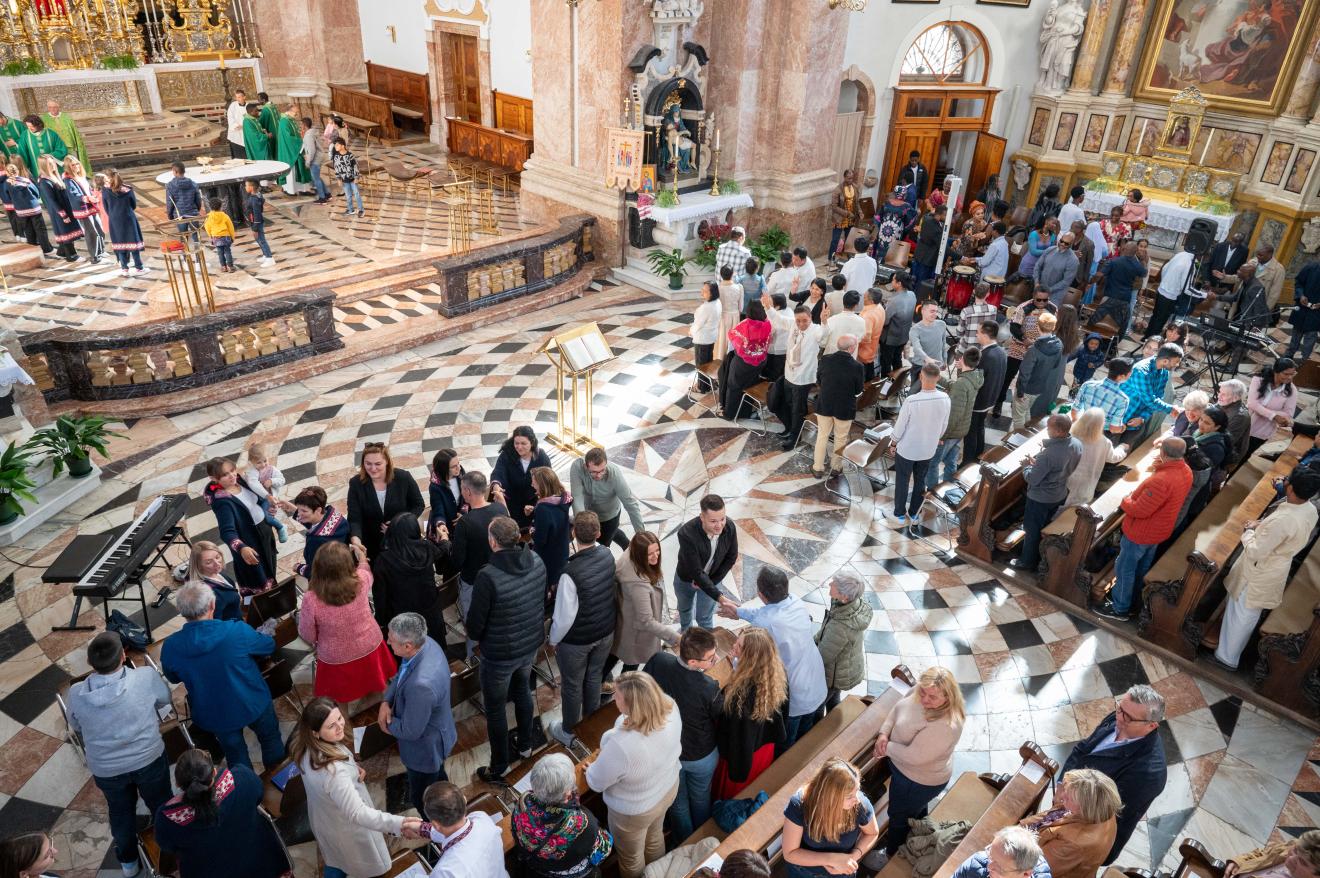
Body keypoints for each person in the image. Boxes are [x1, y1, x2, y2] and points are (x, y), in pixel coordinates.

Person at [66, 632, 173, 878]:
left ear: (91, 663)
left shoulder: (76, 693)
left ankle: (129, 865)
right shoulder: (145, 677)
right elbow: (164, 699)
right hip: (148, 758)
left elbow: (76, 724)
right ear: (124, 656)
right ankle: (170, 850)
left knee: (121, 813)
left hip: (107, 770)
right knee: (161, 803)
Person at [291, 698, 421, 877]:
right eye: (331, 726)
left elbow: (328, 779)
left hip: (326, 820)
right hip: (346, 830)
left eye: (339, 718)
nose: (340, 727)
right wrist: (399, 824)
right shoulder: (335, 772)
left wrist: (352, 769)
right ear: (315, 733)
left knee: (336, 860)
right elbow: (358, 813)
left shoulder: (305, 748)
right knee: (353, 863)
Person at [160, 583, 284, 771]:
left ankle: (247, 786)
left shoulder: (171, 646)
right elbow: (268, 646)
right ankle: (277, 779)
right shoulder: (236, 631)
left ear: (182, 612)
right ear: (212, 605)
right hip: (252, 700)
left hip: (214, 712)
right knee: (270, 739)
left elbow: (173, 677)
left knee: (235, 755)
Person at [1215, 469, 1320, 669]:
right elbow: (1283, 531)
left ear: (1290, 488)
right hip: (1276, 566)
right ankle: (1227, 651)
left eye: (1287, 480)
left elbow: (1256, 551)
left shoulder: (1284, 520)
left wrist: (1248, 532)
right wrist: (1261, 525)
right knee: (1245, 612)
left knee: (1242, 614)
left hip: (1259, 571)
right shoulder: (1310, 509)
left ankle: (1227, 658)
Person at [469, 516, 547, 782]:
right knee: (523, 689)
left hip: (499, 655)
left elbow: (475, 628)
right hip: (529, 645)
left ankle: (499, 765)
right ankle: (525, 745)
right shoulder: (536, 560)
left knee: (495, 709)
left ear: (493, 542)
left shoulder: (487, 576)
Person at [585, 672, 683, 878]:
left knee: (631, 858)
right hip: (667, 788)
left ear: (633, 705)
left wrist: (591, 768)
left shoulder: (622, 744)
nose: (613, 698)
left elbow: (595, 782)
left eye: (617, 696)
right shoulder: (670, 705)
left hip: (636, 811)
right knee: (654, 836)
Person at [867, 667, 966, 866]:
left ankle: (891, 855)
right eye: (923, 692)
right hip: (904, 769)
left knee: (898, 816)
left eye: (933, 697)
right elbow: (898, 709)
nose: (924, 699)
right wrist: (884, 733)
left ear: (948, 697)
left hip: (917, 781)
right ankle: (918, 828)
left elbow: (914, 756)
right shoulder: (921, 690)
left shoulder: (946, 726)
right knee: (913, 811)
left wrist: (886, 747)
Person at [721, 566, 826, 746]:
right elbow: (765, 613)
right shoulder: (796, 602)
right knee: (807, 739)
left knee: (788, 746)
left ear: (761, 595)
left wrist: (734, 661)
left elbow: (753, 662)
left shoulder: (766, 624)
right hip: (817, 683)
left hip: (795, 696)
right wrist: (739, 612)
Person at [1061, 685, 1167, 863]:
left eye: (1128, 717)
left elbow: (1105, 815)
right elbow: (1083, 749)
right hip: (1069, 804)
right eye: (1119, 709)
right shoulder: (1121, 715)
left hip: (1086, 838)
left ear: (1151, 725)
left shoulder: (1149, 773)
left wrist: (1066, 803)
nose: (1119, 717)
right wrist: (1061, 785)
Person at [1094, 438, 1192, 621]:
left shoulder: (1162, 480)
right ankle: (1132, 602)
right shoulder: (1186, 470)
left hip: (1141, 533)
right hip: (1159, 530)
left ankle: (1120, 608)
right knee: (1141, 568)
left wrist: (1126, 499)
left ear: (1163, 453)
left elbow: (1139, 510)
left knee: (1125, 569)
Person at [152, 749, 290, 878]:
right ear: (213, 772)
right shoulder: (242, 779)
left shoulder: (167, 819)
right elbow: (259, 793)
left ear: (178, 784)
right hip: (267, 864)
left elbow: (167, 846)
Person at [644, 627, 722, 840]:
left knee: (678, 803)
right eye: (711, 658)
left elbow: (644, 689)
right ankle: (702, 836)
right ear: (693, 662)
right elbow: (720, 716)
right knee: (701, 797)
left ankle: (685, 839)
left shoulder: (659, 660)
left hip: (668, 751)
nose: (715, 659)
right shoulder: (708, 687)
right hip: (700, 754)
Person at [547, 512, 618, 747]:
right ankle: (590, 722)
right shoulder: (607, 554)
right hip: (605, 632)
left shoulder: (570, 572)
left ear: (574, 533)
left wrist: (553, 639)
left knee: (572, 685)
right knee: (594, 677)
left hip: (577, 641)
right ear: (599, 533)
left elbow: (564, 617)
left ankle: (569, 731)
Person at [379, 612, 457, 816]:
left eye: (391, 639)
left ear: (408, 646)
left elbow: (410, 731)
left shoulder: (421, 685)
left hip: (425, 749)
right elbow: (402, 673)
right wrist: (387, 700)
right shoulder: (426, 642)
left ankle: (436, 827)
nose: (387, 641)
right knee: (438, 780)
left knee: (422, 798)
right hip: (437, 733)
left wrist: (385, 722)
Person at [300, 541, 397, 702]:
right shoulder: (361, 580)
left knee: (339, 698)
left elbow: (308, 634)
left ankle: (344, 719)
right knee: (380, 683)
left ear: (317, 568)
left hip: (335, 657)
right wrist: (360, 553)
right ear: (348, 564)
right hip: (370, 644)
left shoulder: (311, 599)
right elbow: (365, 567)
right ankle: (387, 708)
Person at [714, 627, 789, 799]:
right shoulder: (776, 673)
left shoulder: (740, 697)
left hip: (742, 753)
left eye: (739, 646)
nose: (734, 646)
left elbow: (736, 734)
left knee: (734, 792)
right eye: (737, 641)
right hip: (764, 745)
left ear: (751, 656)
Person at [513, 753, 614, 878]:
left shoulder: (523, 801)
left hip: (536, 867)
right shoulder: (581, 824)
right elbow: (603, 851)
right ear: (567, 794)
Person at [782, 758, 879, 878]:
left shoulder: (860, 806)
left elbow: (872, 833)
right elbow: (790, 853)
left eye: (857, 790)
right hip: (804, 873)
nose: (857, 799)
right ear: (830, 796)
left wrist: (852, 857)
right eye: (849, 796)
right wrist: (831, 859)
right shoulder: (800, 804)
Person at [1012, 414, 1082, 571]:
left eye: (1049, 428)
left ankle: (1027, 561)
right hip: (1059, 493)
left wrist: (1026, 466)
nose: (1047, 430)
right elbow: (1059, 468)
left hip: (1040, 498)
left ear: (1058, 431)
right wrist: (1039, 465)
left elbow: (1032, 479)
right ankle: (1038, 553)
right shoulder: (1077, 444)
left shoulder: (1048, 454)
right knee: (1044, 525)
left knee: (1032, 529)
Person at [1019, 769, 1120, 878]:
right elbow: (1051, 816)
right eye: (1066, 790)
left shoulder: (1074, 844)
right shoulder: (1101, 809)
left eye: (1069, 798)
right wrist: (1019, 827)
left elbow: (1034, 869)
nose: (1062, 796)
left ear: (1085, 808)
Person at [449, 471, 509, 653]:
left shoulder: (465, 523)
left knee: (474, 624)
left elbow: (457, 561)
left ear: (467, 491)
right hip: (500, 576)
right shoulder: (500, 509)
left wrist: (446, 544)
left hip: (473, 581)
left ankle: (473, 658)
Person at [889, 364, 951, 527]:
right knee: (920, 480)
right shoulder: (945, 398)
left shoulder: (912, 400)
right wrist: (935, 438)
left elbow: (900, 426)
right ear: (938, 378)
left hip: (907, 449)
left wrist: (893, 442)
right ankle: (914, 514)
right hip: (928, 449)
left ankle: (899, 514)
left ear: (921, 377)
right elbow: (944, 425)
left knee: (902, 480)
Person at [202, 456, 276, 593]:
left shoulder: (240, 480)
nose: (232, 476)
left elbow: (255, 499)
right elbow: (227, 532)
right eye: (225, 475)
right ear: (214, 479)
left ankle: (274, 596)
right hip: (250, 545)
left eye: (232, 470)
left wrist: (267, 508)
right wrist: (242, 548)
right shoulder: (222, 502)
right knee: (259, 582)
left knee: (271, 570)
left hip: (264, 534)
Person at [347, 441, 425, 560]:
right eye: (368, 464)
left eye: (378, 464)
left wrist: (400, 524)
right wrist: (356, 540)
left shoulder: (403, 477)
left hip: (402, 541)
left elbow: (418, 505)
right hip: (372, 545)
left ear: (387, 462)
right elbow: (354, 518)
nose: (373, 468)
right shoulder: (355, 483)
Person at [371, 511, 447, 634]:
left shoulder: (383, 561)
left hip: (403, 620)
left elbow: (380, 596)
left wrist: (381, 622)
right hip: (430, 615)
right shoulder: (426, 547)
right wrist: (444, 540)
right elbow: (442, 551)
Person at [674, 494, 740, 629]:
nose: (719, 525)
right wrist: (720, 598)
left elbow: (731, 557)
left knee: (704, 618)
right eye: (713, 521)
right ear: (702, 517)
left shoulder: (729, 527)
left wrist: (712, 582)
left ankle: (706, 640)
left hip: (713, 579)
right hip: (686, 579)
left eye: (722, 519)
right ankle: (686, 634)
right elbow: (696, 571)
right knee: (684, 610)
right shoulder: (686, 534)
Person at [419, 782, 509, 878]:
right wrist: (422, 828)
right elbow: (460, 834)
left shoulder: (445, 872)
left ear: (436, 825)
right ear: (464, 800)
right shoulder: (481, 818)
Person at [813, 572, 873, 710]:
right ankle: (834, 717)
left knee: (817, 705)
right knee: (833, 698)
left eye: (834, 584)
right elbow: (826, 628)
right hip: (843, 668)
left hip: (836, 674)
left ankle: (823, 724)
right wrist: (815, 639)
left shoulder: (841, 626)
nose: (830, 584)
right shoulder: (849, 604)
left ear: (844, 597)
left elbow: (822, 657)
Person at [927, 347, 983, 489]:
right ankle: (949, 487)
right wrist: (939, 377)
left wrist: (942, 436)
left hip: (951, 433)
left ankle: (932, 491)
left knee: (932, 464)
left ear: (962, 359)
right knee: (951, 461)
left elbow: (954, 415)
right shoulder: (974, 376)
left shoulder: (962, 383)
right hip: (962, 429)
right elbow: (956, 386)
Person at [570, 447, 645, 551]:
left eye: (602, 470)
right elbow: (577, 497)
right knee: (611, 532)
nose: (599, 475)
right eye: (594, 472)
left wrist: (642, 536)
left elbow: (630, 503)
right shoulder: (577, 467)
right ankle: (625, 543)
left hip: (609, 517)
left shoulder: (614, 474)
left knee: (601, 546)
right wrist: (582, 525)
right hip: (588, 514)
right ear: (586, 466)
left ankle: (626, 545)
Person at [813, 334, 866, 478]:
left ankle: (817, 468)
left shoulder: (825, 359)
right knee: (840, 438)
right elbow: (858, 390)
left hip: (825, 404)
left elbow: (819, 379)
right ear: (851, 348)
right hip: (845, 407)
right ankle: (836, 467)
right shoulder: (858, 366)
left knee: (822, 436)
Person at [998, 288, 1057, 417]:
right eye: (1039, 300)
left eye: (1045, 300)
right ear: (1033, 297)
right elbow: (1014, 327)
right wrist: (1024, 339)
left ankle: (1017, 402)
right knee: (1008, 376)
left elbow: (1054, 328)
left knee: (1027, 378)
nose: (1042, 302)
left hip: (1038, 350)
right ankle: (999, 402)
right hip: (1019, 346)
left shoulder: (1053, 309)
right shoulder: (1023, 307)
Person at [279, 485, 350, 578]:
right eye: (298, 509)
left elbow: (315, 572)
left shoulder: (316, 540)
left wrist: (299, 568)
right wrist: (293, 509)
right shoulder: (336, 517)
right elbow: (317, 524)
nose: (299, 513)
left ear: (318, 510)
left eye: (304, 511)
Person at [779, 305, 825, 449]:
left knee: (797, 409)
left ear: (810, 317)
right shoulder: (793, 325)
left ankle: (795, 438)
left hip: (803, 377)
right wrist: (767, 307)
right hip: (789, 373)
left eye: (804, 320)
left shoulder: (816, 329)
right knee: (788, 402)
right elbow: (778, 319)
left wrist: (824, 322)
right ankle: (791, 427)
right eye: (798, 321)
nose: (801, 324)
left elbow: (823, 337)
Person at [491, 426, 554, 529]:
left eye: (523, 443)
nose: (519, 447)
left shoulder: (541, 457)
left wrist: (539, 504)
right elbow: (498, 472)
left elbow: (549, 481)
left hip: (532, 504)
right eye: (516, 443)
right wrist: (496, 485)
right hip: (511, 503)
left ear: (532, 443)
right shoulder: (507, 455)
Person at [1064, 408, 1129, 507]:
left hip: (1066, 477)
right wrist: (1122, 448)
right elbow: (1113, 458)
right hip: (1086, 482)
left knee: (1061, 503)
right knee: (1076, 506)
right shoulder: (1104, 442)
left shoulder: (1070, 434)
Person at [1120, 345, 1183, 445]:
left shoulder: (1164, 373)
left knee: (1125, 449)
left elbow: (1158, 398)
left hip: (1136, 422)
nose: (1177, 365)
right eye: (1176, 362)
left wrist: (1142, 418)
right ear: (1165, 361)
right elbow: (1150, 400)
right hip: (1119, 417)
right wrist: (1171, 409)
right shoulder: (1141, 371)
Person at [1012, 311, 1064, 430]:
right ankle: (1027, 432)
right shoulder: (1059, 344)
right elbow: (1056, 365)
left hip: (1026, 388)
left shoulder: (1034, 350)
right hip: (1040, 387)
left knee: (1018, 417)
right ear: (1053, 327)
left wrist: (1020, 392)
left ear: (1038, 327)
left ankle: (1019, 438)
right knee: (1026, 411)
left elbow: (1024, 373)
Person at [722, 299, 772, 419]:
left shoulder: (745, 324)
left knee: (734, 386)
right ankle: (744, 412)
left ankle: (729, 414)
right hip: (760, 360)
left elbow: (732, 336)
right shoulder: (767, 324)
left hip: (743, 362)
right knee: (749, 385)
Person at [530, 466, 572, 597]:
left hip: (547, 557)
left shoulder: (543, 509)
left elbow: (540, 540)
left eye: (534, 483)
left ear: (543, 485)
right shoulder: (563, 500)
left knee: (546, 587)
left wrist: (532, 530)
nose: (532, 485)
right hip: (561, 552)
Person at [947, 827, 1051, 878]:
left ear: (1026, 874)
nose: (989, 867)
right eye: (990, 855)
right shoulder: (976, 863)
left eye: (999, 868)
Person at [1090, 241, 1147, 333]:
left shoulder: (1114, 261)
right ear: (1135, 251)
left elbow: (1099, 274)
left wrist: (1090, 283)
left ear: (1124, 249)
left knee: (1097, 320)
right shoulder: (1136, 265)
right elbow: (1144, 273)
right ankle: (1114, 339)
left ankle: (1093, 335)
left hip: (1109, 296)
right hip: (1124, 300)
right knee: (1118, 324)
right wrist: (1143, 260)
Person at [1246, 358, 1298, 455]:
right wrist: (1273, 416)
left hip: (1263, 430)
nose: (1290, 377)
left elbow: (1288, 414)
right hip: (1246, 423)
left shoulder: (1292, 390)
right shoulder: (1259, 379)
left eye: (1292, 374)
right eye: (1286, 374)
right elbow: (1251, 403)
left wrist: (1260, 409)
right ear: (1276, 371)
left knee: (1246, 454)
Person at [34, 154, 80, 262]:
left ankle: (62, 252)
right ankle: (72, 256)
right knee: (65, 232)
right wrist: (63, 214)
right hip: (58, 211)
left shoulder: (54, 176)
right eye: (50, 164)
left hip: (65, 207)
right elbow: (51, 200)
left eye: (53, 163)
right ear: (44, 166)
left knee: (67, 231)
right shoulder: (44, 181)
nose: (53, 166)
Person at [101, 169, 147, 275]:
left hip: (114, 219)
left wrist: (113, 214)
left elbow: (106, 207)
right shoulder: (128, 189)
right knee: (133, 242)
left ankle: (124, 269)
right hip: (128, 217)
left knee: (119, 242)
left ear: (108, 179)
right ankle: (139, 268)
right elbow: (133, 205)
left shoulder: (105, 191)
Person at [1074, 357, 1133, 438]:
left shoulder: (1088, 385)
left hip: (1081, 428)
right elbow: (1113, 429)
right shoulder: (1123, 399)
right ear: (1122, 376)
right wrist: (1122, 428)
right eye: (1130, 372)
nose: (1131, 374)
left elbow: (1074, 411)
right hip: (1099, 435)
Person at [1222, 829, 1320, 878]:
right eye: (1295, 850)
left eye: (1302, 862)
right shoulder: (1294, 844)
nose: (1290, 858)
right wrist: (1239, 862)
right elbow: (1263, 854)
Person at [185, 539, 242, 622]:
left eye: (217, 557)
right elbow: (216, 623)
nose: (217, 563)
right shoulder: (211, 594)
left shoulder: (214, 573)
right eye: (208, 562)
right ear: (199, 566)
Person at [242, 442, 288, 542]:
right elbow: (254, 484)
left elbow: (282, 480)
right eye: (259, 462)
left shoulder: (272, 469)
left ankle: (280, 527)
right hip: (259, 498)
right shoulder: (251, 472)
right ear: (251, 462)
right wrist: (266, 495)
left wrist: (272, 481)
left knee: (266, 516)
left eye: (265, 461)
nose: (263, 464)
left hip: (268, 499)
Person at [1149, 244, 1196, 339]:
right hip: (1170, 295)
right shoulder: (1190, 263)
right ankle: (1153, 339)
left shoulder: (1179, 255)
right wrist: (1204, 294)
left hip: (1162, 290)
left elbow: (1164, 269)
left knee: (1155, 316)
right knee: (1161, 320)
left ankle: (1147, 336)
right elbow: (1186, 287)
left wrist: (1164, 282)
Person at [65, 155, 105, 261]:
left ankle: (101, 250)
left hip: (91, 206)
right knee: (91, 232)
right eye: (73, 165)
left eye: (77, 164)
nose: (76, 166)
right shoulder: (68, 180)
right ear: (68, 167)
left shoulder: (81, 176)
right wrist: (87, 198)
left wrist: (94, 194)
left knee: (99, 229)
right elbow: (74, 195)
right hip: (82, 209)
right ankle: (94, 256)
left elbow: (88, 189)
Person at [880, 272, 917, 377]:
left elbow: (885, 321)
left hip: (891, 338)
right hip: (904, 335)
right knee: (897, 359)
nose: (891, 282)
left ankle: (886, 383)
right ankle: (899, 380)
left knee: (886, 362)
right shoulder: (912, 295)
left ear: (899, 283)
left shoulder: (894, 300)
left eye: (893, 280)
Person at [1214, 261, 1271, 330]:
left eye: (1240, 270)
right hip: (1241, 317)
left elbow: (1259, 309)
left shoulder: (1255, 287)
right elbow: (1234, 297)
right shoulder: (1245, 282)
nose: (1237, 271)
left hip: (1250, 323)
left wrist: (1255, 327)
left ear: (1247, 274)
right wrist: (1216, 297)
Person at [428, 448, 467, 540]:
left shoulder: (461, 473)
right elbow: (438, 509)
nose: (459, 467)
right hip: (448, 523)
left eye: (458, 463)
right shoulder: (435, 487)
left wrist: (463, 512)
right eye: (454, 466)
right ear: (443, 469)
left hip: (461, 520)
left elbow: (467, 496)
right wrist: (441, 524)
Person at [908, 300, 948, 389]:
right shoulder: (915, 329)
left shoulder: (942, 324)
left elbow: (943, 344)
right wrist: (927, 359)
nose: (935, 314)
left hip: (935, 366)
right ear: (923, 311)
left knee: (930, 390)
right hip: (920, 367)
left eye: (936, 311)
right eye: (932, 311)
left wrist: (945, 360)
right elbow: (917, 348)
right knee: (914, 392)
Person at [1034, 228, 1079, 306]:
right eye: (1061, 241)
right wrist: (1036, 282)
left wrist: (1049, 290)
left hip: (1055, 296)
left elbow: (1066, 282)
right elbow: (1037, 266)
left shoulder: (1073, 260)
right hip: (1040, 290)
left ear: (1071, 244)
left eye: (1066, 243)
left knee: (1048, 313)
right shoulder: (1050, 250)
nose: (1063, 244)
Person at [1287, 259, 1320, 363]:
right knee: (1296, 334)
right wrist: (1301, 295)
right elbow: (1299, 283)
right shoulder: (1310, 267)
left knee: (1310, 337)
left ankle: (1304, 362)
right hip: (1302, 308)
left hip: (1317, 313)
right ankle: (1288, 357)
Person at [164, 161, 203, 245]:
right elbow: (198, 200)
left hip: (179, 215)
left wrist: (170, 215)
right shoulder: (193, 184)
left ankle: (185, 253)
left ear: (175, 172)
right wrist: (197, 210)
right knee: (196, 236)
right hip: (192, 214)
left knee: (183, 237)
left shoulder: (170, 185)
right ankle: (199, 252)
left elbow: (170, 202)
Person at [276, 105, 312, 196]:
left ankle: (303, 189)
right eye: (296, 113)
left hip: (295, 148)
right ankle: (290, 190)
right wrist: (301, 141)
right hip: (289, 150)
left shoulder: (290, 119)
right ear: (290, 111)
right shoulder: (284, 122)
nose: (297, 114)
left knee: (301, 168)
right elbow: (288, 138)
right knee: (292, 171)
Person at [241, 178, 275, 268]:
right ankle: (265, 255)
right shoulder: (258, 195)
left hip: (256, 222)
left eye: (246, 185)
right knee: (258, 239)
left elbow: (257, 214)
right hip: (255, 222)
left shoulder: (254, 200)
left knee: (262, 240)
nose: (245, 187)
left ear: (251, 187)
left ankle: (269, 258)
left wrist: (255, 228)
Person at [1218, 379, 1252, 467]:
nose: (1219, 396)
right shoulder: (1224, 403)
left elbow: (1226, 440)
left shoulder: (1240, 416)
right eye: (1219, 392)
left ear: (1236, 398)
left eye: (1224, 394)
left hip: (1229, 455)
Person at [824, 289, 867, 357]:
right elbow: (860, 338)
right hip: (850, 356)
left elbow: (823, 340)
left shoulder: (832, 319)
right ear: (856, 305)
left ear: (843, 302)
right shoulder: (861, 322)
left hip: (832, 354)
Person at [912, 203, 946, 284]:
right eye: (945, 215)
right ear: (940, 215)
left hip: (921, 255)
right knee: (921, 281)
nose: (946, 217)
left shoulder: (927, 218)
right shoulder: (932, 224)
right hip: (926, 258)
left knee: (915, 278)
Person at [332, 136, 365, 216]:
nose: (335, 147)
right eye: (335, 145)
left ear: (343, 146)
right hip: (344, 180)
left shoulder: (350, 155)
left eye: (337, 145)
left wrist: (356, 177)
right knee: (348, 195)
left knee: (356, 194)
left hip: (353, 179)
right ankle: (350, 209)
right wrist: (339, 179)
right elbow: (336, 168)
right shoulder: (336, 157)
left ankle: (361, 210)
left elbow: (355, 167)